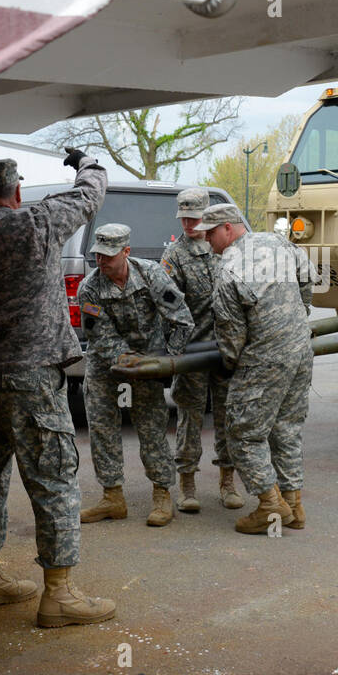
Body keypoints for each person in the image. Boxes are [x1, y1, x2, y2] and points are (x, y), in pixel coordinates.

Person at [0, 152, 115, 628]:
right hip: (32, 377)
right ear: (17, 192)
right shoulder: (35, 224)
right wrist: (87, 162)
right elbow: (88, 194)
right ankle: (58, 594)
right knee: (54, 481)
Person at [195, 203, 314, 534]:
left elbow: (231, 334)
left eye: (210, 233)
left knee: (244, 432)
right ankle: (294, 504)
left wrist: (231, 363)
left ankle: (269, 505)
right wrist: (296, 315)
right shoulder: (278, 243)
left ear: (228, 229)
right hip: (301, 349)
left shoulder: (227, 267)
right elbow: (307, 278)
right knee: (286, 427)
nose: (206, 240)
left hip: (265, 357)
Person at [78, 224, 194, 527]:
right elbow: (99, 337)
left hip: (147, 366)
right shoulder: (89, 288)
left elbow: (181, 318)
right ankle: (112, 497)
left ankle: (161, 494)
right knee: (102, 431)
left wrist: (168, 359)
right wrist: (127, 359)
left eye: (108, 256)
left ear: (126, 252)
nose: (101, 262)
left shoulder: (151, 275)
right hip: (107, 366)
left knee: (152, 428)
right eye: (98, 255)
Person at [160, 188, 242, 511]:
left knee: (226, 416)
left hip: (224, 349)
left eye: (196, 218)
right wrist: (175, 349)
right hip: (192, 351)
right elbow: (166, 305)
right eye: (185, 218)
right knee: (190, 417)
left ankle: (227, 481)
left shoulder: (226, 248)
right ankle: (188, 484)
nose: (190, 224)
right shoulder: (174, 256)